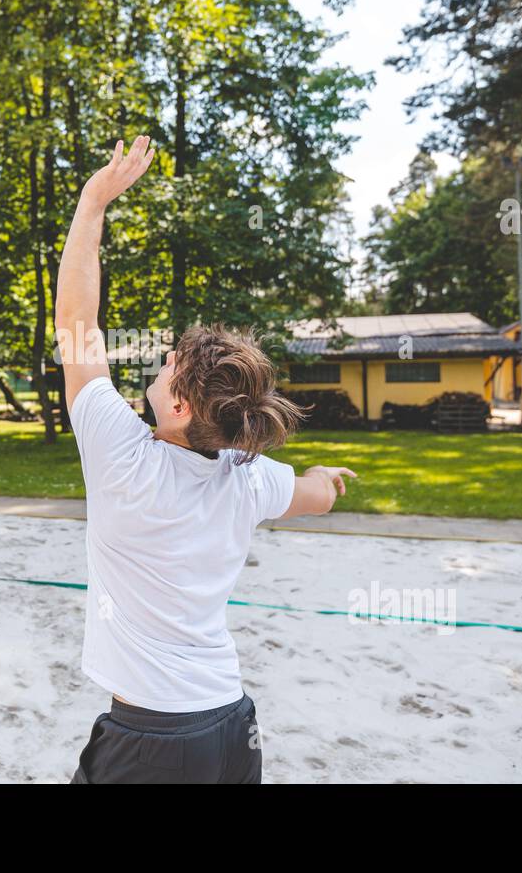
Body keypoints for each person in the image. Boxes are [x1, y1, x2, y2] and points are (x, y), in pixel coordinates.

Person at [55, 135, 357, 784]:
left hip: (154, 739)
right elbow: (317, 498)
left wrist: (93, 202)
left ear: (184, 409)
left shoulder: (121, 456)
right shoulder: (246, 475)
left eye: (173, 366)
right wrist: (322, 479)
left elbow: (77, 323)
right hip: (230, 725)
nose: (162, 361)